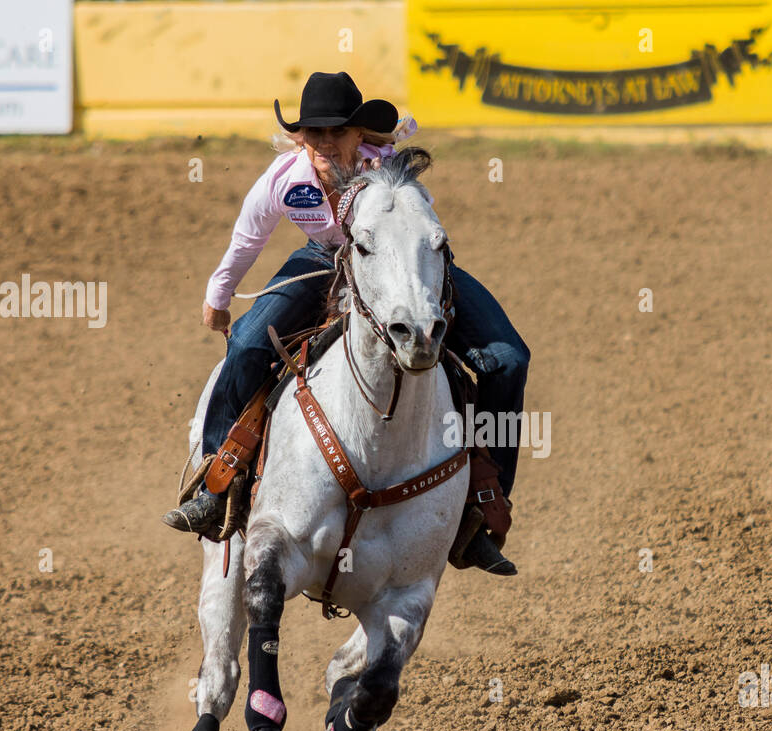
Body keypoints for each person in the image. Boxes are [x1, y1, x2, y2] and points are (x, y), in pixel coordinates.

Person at [163, 71, 530, 572]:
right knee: (247, 342)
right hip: (324, 258)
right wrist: (218, 295)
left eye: (337, 132)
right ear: (300, 137)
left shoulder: (390, 170)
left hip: (399, 263)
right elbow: (247, 239)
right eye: (314, 133)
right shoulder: (284, 180)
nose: (325, 143)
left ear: (361, 134)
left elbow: (422, 231)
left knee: (508, 360)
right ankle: (217, 483)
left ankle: (485, 502)